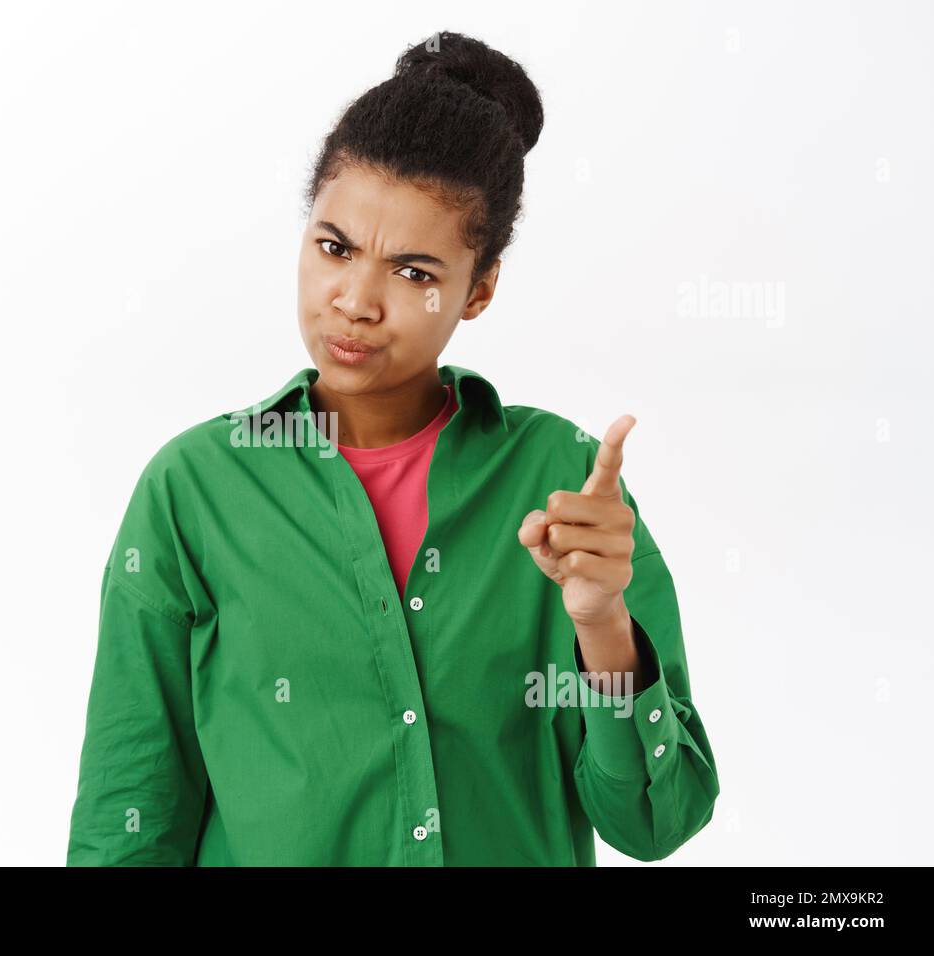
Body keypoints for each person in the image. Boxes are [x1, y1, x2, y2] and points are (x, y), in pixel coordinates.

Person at [66, 30, 719, 866]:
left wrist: (602, 627)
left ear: (478, 290)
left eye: (415, 273)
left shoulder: (562, 486)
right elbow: (132, 809)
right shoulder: (193, 492)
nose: (355, 301)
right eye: (333, 248)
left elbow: (656, 825)